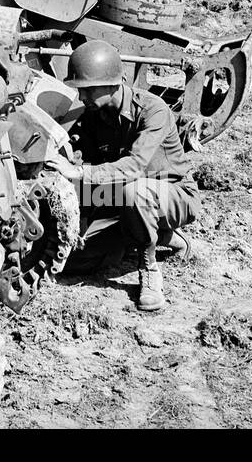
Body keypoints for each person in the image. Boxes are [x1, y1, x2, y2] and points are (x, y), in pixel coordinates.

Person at [44, 39, 198, 312]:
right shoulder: (94, 116)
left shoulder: (153, 110)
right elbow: (91, 177)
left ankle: (149, 270)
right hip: (122, 197)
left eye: (88, 90)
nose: (82, 98)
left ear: (114, 84)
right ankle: (160, 238)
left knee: (134, 191)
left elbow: (135, 166)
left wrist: (79, 171)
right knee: (71, 261)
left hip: (172, 195)